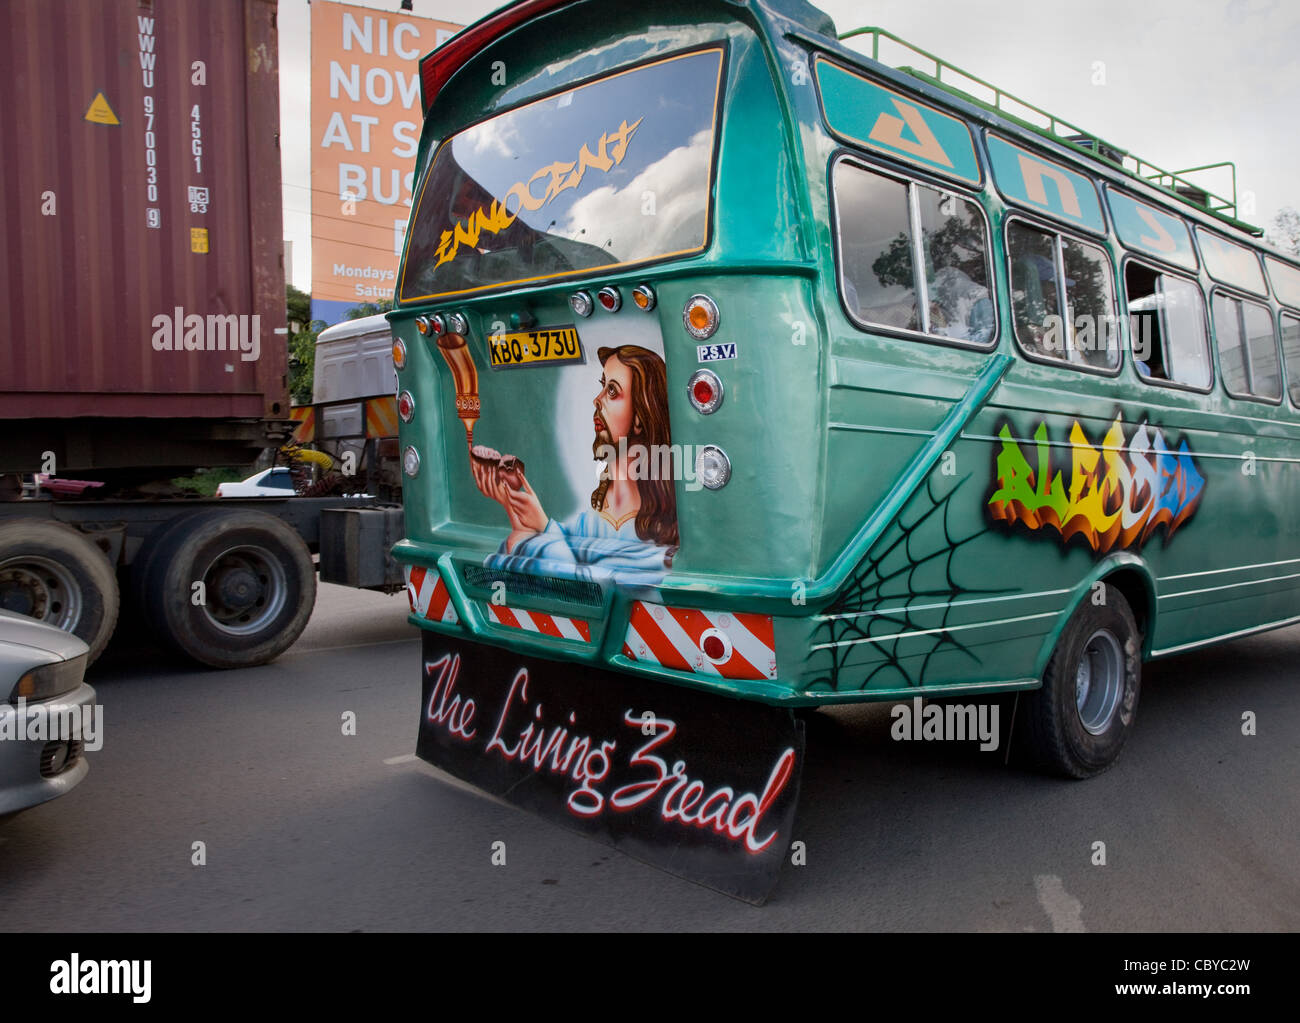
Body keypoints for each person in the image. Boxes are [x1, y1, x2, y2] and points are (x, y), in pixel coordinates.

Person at [470, 344, 678, 582]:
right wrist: (516, 510)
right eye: (602, 387)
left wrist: (532, 537)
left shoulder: (664, 531)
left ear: (641, 415)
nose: (596, 401)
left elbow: (585, 586)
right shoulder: (588, 521)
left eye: (612, 391)